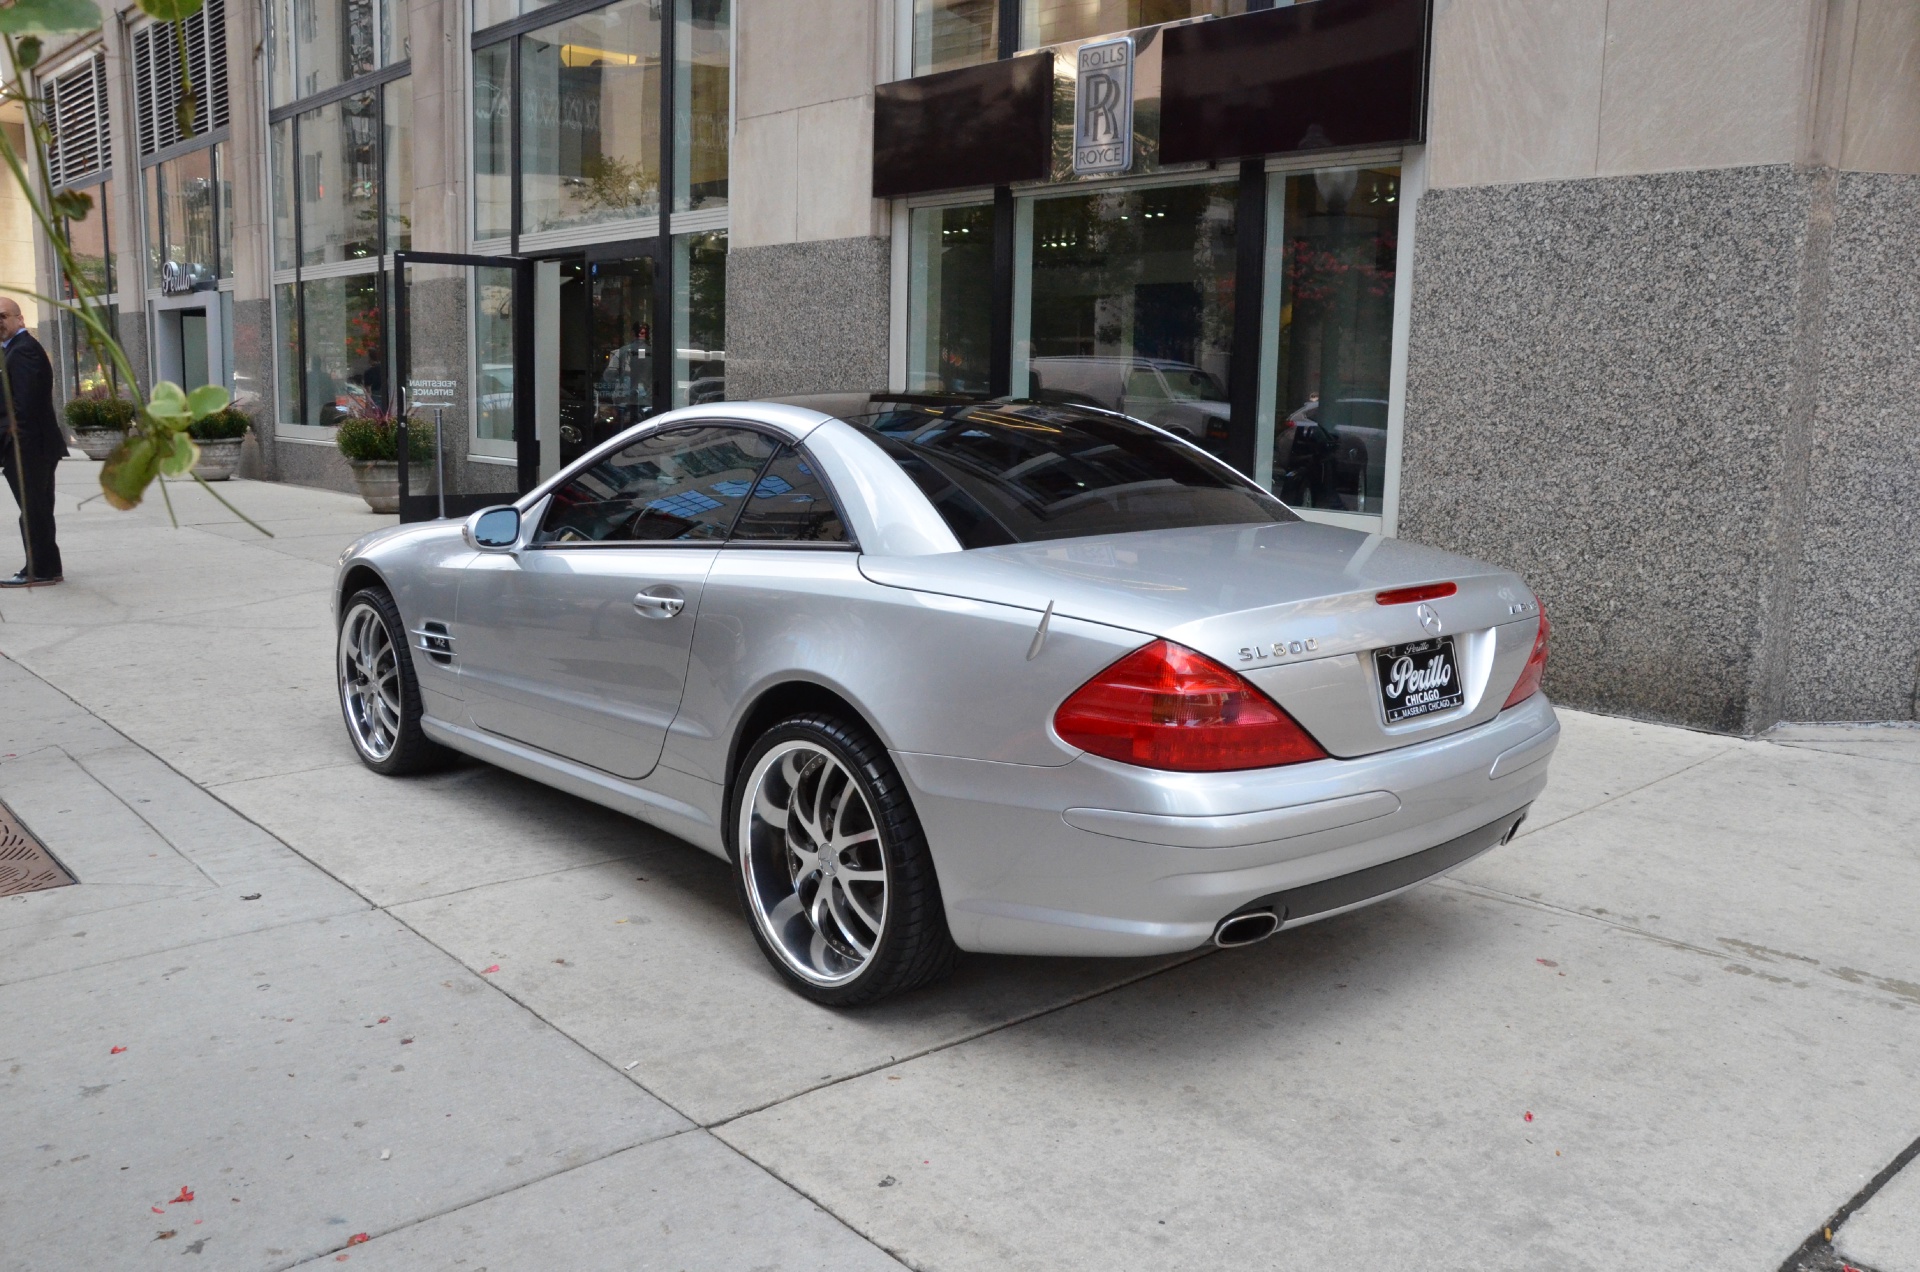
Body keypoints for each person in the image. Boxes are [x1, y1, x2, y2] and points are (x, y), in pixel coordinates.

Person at [0, 297, 62, 587]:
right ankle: (46, 567)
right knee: (36, 510)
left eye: (2, 316)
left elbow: (23, 408)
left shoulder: (23, 351)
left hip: (29, 448)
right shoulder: (13, 350)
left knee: (34, 510)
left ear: (20, 320)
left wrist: (17, 449)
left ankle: (41, 570)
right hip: (32, 447)